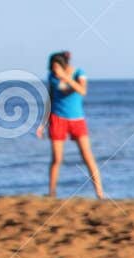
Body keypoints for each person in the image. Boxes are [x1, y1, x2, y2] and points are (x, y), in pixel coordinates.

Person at [35, 51, 105, 199]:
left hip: (77, 120)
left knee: (87, 156)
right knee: (57, 159)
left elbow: (82, 90)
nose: (55, 71)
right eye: (52, 68)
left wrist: (66, 78)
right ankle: (52, 193)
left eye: (57, 67)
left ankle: (100, 193)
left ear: (64, 65)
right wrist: (43, 123)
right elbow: (51, 98)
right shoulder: (52, 77)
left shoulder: (79, 73)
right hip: (57, 118)